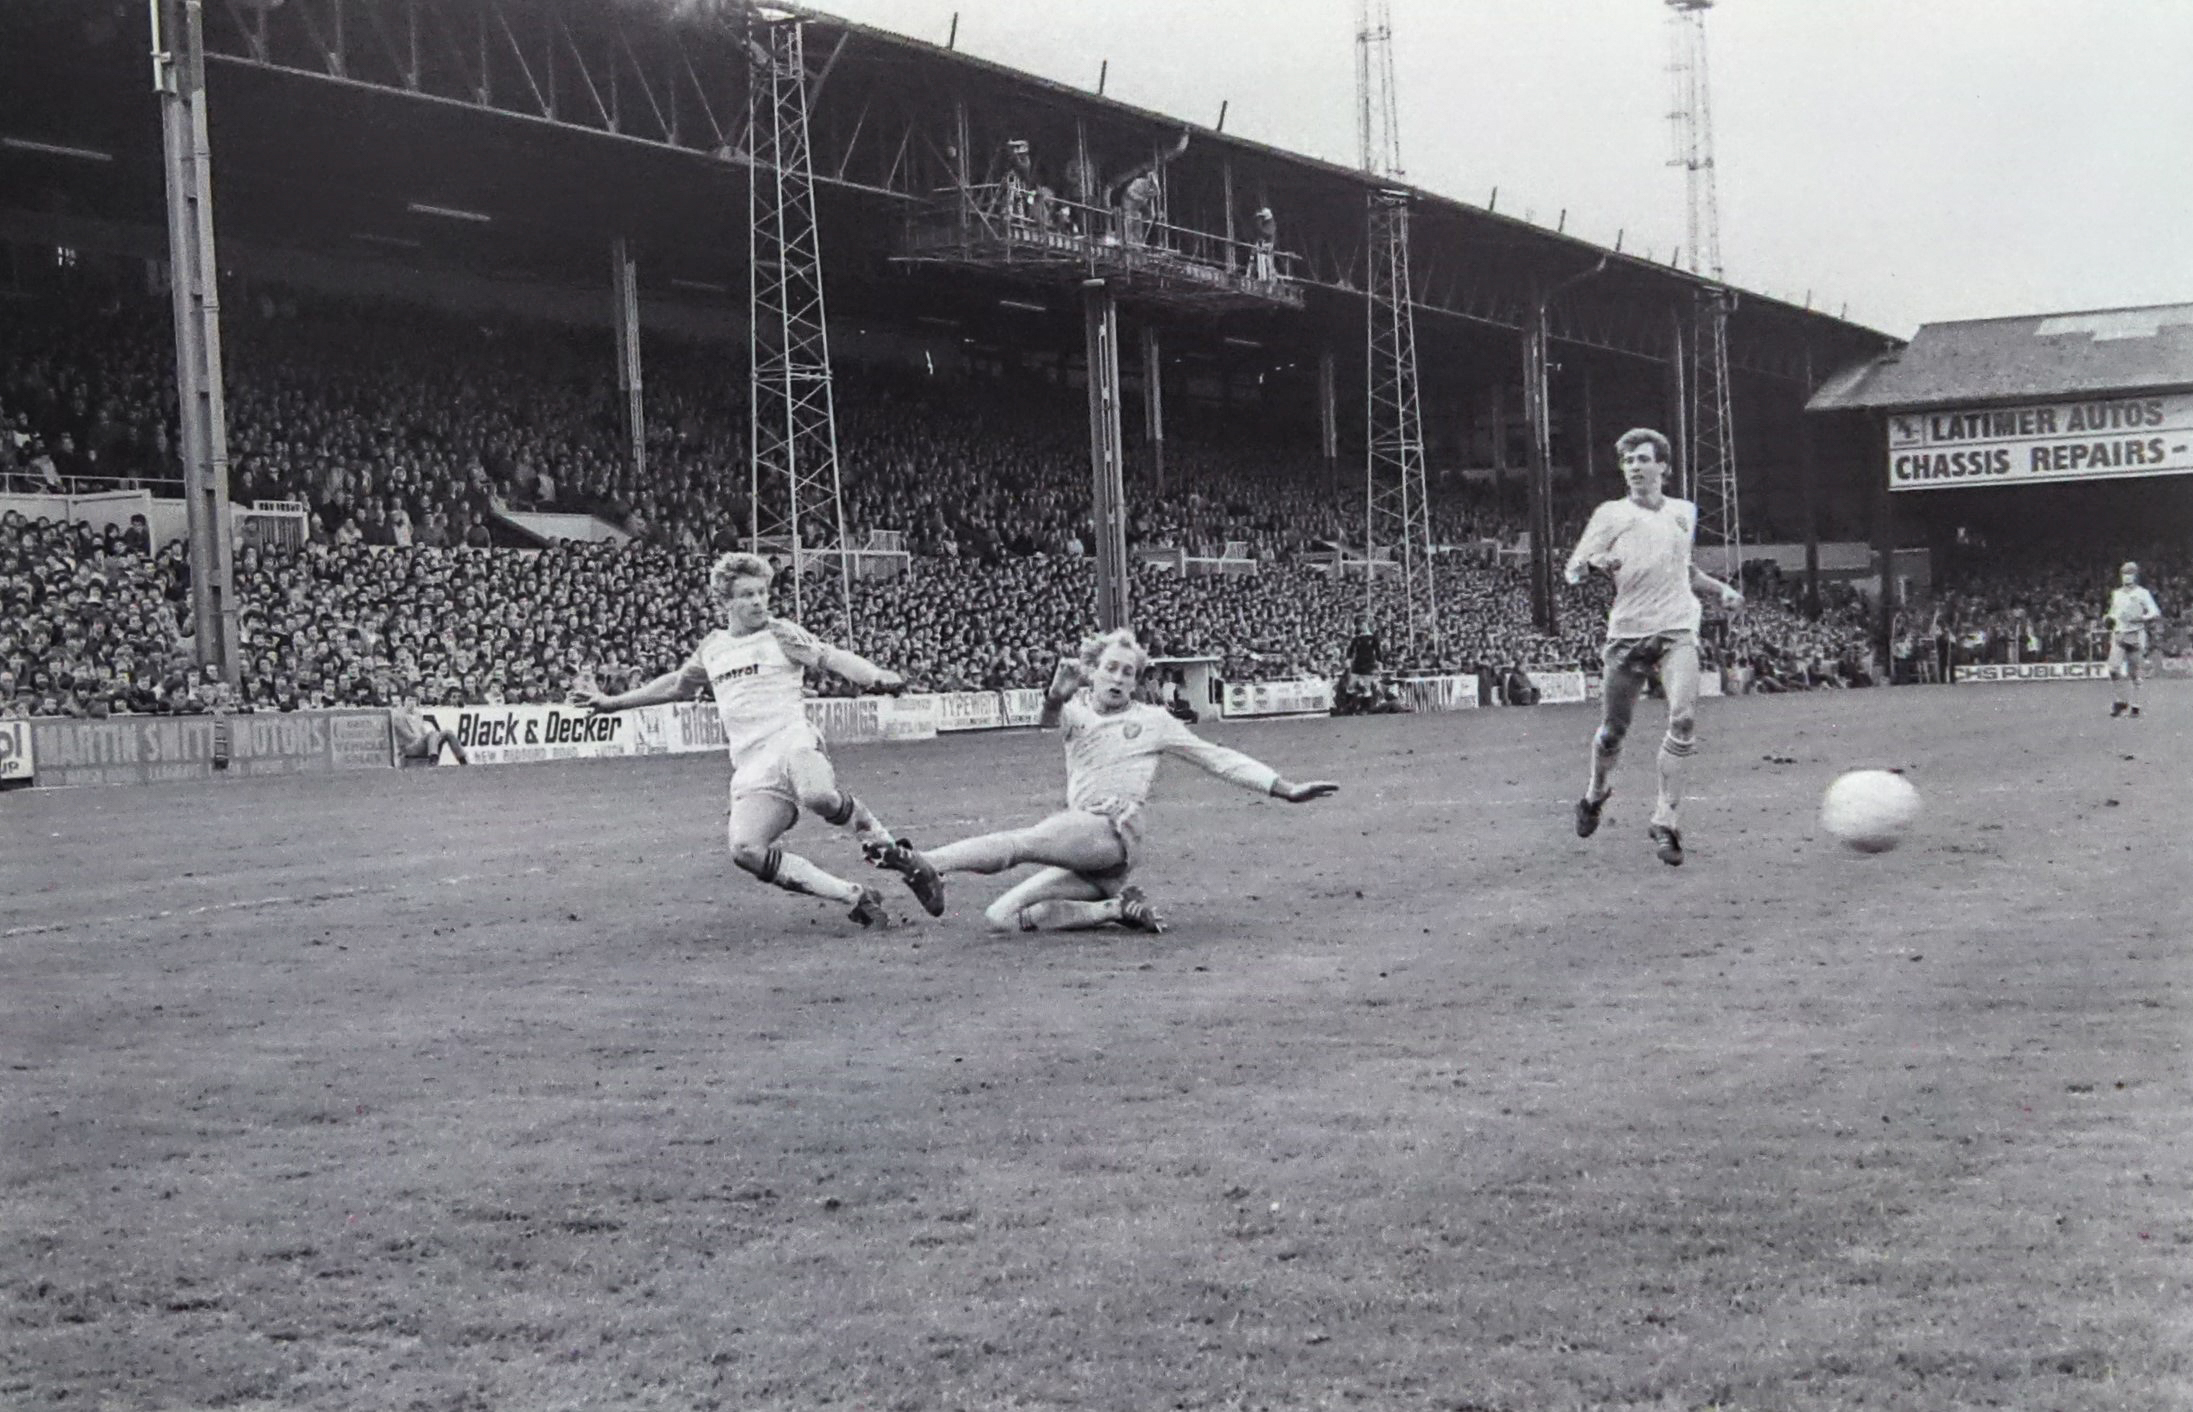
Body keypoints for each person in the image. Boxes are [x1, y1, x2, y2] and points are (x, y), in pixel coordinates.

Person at [867, 627, 1338, 933]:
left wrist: (1283, 787)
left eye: (1127, 673)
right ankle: (1114, 909)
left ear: (1136, 681)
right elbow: (1048, 723)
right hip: (1092, 855)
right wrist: (1054, 697)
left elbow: (1218, 759)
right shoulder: (1077, 713)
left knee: (1024, 842)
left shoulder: (1154, 720)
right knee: (1002, 917)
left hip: (1114, 832)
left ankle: (927, 863)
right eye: (1110, 668)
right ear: (1092, 672)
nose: (1117, 678)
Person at [573, 551, 935, 929]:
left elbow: (832, 658)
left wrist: (875, 676)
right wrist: (612, 703)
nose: (759, 601)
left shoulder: (781, 633)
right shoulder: (713, 647)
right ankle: (855, 896)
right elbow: (678, 685)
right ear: (725, 602)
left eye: (762, 592)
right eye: (747, 595)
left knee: (818, 795)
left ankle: (895, 853)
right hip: (752, 762)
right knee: (746, 850)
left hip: (792, 740)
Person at [1563, 427, 1744, 867]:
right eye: (1628, 461)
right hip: (1628, 633)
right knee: (1613, 731)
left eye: (1642, 459)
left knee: (1682, 718)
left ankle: (1665, 819)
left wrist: (1719, 588)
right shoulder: (1610, 514)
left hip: (1677, 628)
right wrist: (1595, 563)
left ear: (1663, 465)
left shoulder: (1684, 512)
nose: (1634, 467)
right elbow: (1573, 569)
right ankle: (1595, 793)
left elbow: (1684, 570)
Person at [2104, 560, 2162, 718]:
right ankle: (2120, 700)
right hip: (2119, 633)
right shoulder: (2116, 594)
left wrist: (2142, 618)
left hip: (2136, 635)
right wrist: (2108, 618)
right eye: (2124, 573)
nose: (2126, 576)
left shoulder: (2142, 593)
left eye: (2129, 573)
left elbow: (2155, 612)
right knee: (2113, 668)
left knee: (2134, 673)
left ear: (2135, 575)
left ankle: (2136, 705)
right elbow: (2114, 612)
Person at [390, 701, 469, 765]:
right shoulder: (398, 717)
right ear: (404, 702)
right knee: (432, 734)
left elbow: (422, 730)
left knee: (448, 732)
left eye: (414, 700)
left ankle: (462, 759)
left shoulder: (417, 715)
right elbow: (407, 735)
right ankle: (433, 758)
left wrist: (430, 738)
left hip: (420, 743)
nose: (412, 703)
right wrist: (424, 739)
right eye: (409, 700)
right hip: (409, 747)